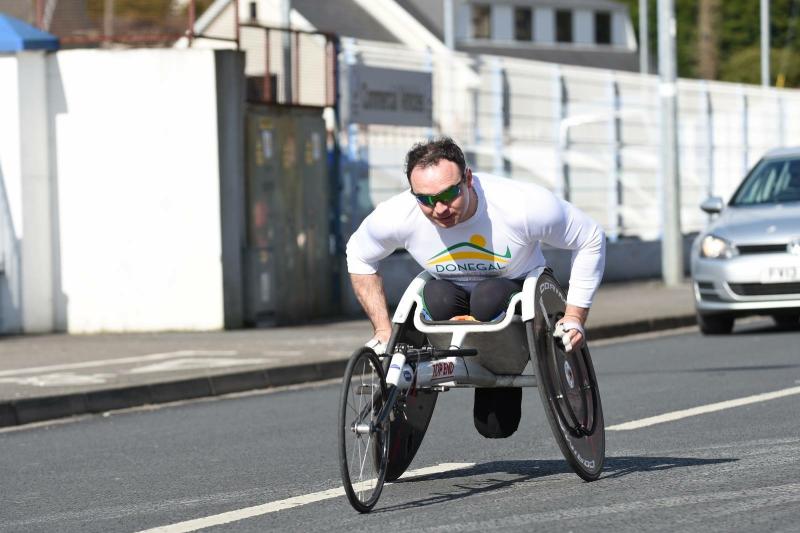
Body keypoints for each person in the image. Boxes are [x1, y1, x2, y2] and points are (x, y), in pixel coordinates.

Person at [346, 137, 605, 438]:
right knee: (435, 296)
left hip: (514, 294)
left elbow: (590, 238)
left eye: (449, 195)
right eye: (425, 200)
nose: (439, 208)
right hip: (450, 296)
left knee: (486, 298)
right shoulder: (398, 215)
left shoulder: (520, 205)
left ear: (468, 179)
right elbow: (359, 254)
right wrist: (382, 330)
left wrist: (575, 316)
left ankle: (499, 372)